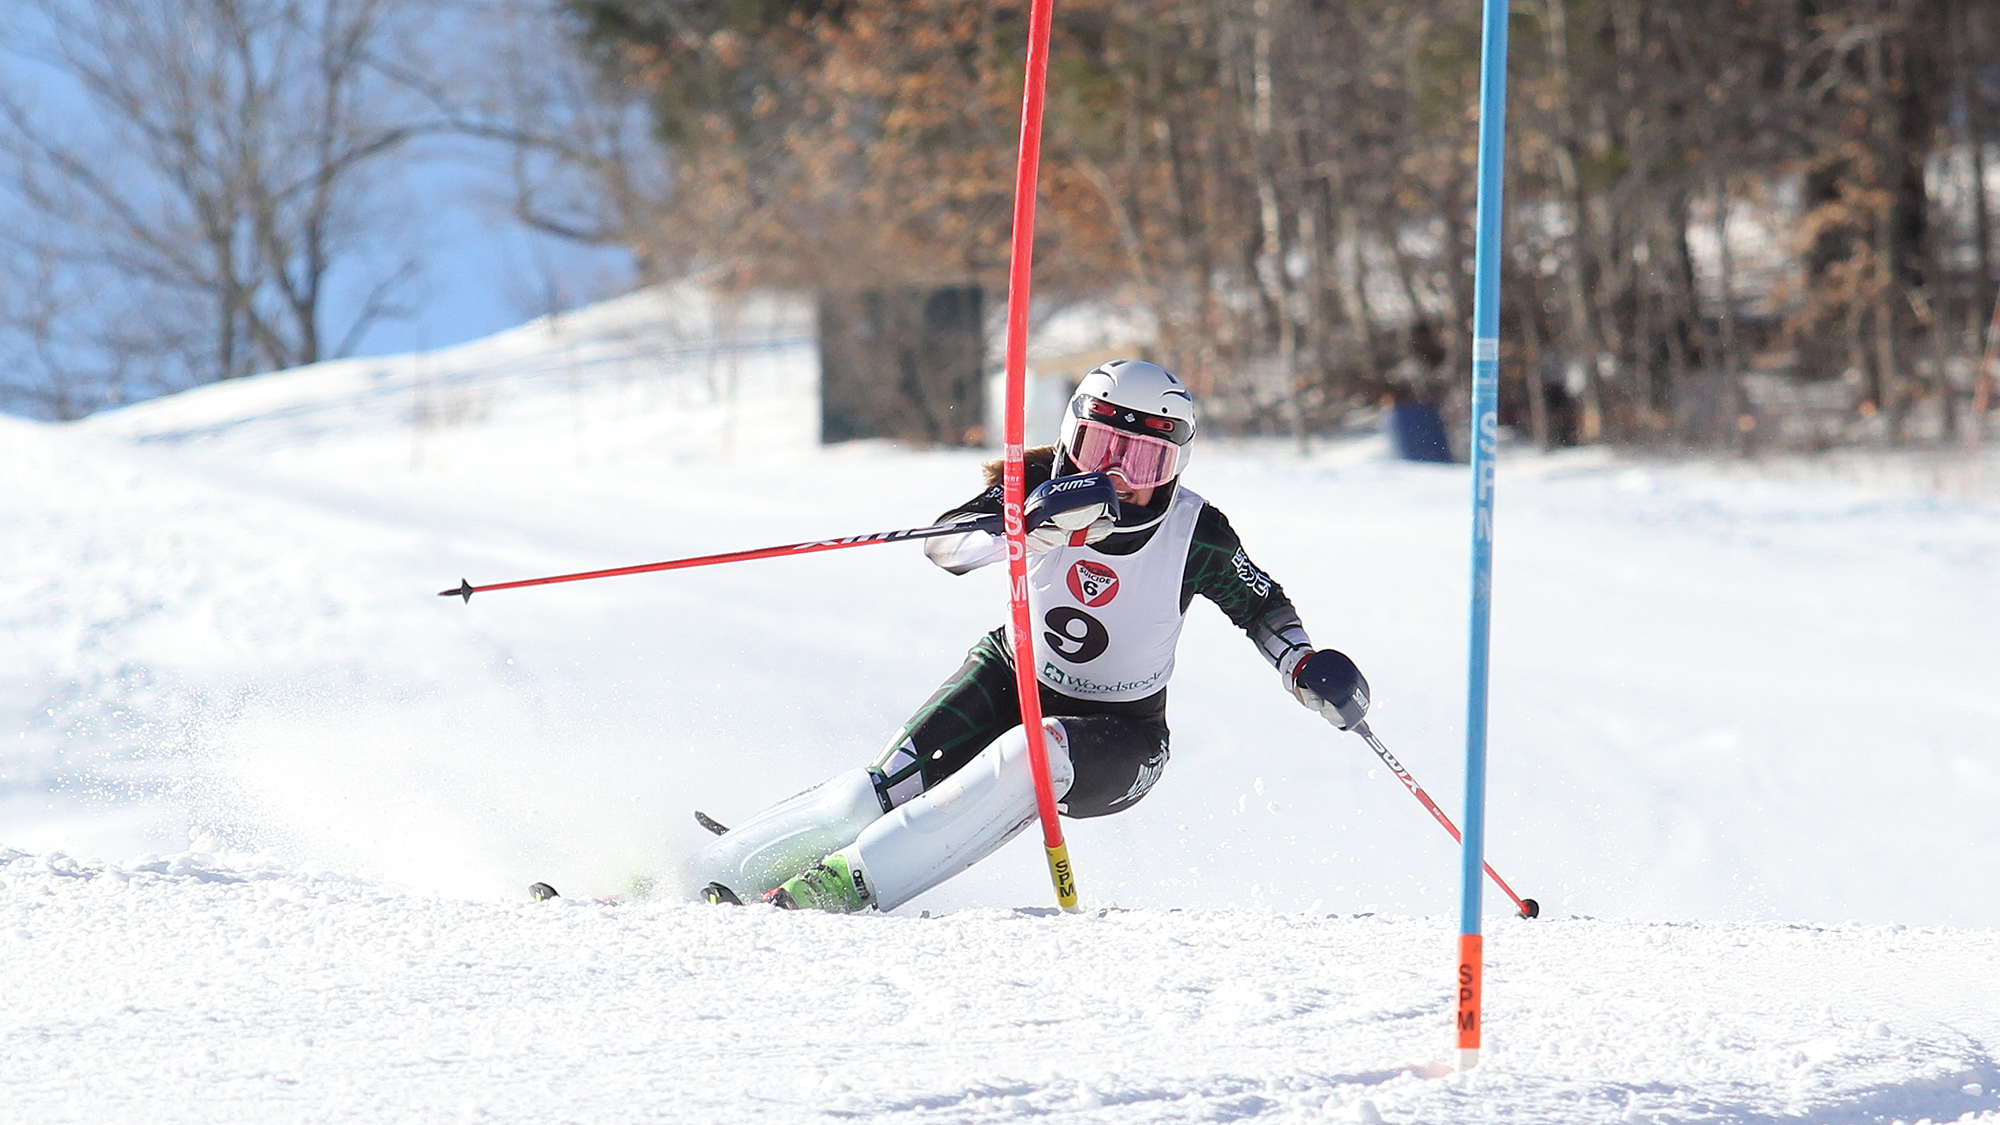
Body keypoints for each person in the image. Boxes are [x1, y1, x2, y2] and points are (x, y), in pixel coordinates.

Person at [687, 359, 1369, 912]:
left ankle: (846, 885)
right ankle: (708, 873)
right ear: (1073, 438)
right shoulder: (1036, 484)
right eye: (1106, 450)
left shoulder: (1196, 531)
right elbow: (944, 548)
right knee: (873, 791)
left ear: (1178, 466)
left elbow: (1262, 604)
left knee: (1035, 751)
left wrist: (1304, 665)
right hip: (1009, 676)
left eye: (1148, 461)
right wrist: (1024, 525)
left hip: (1122, 735)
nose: (1122, 479)